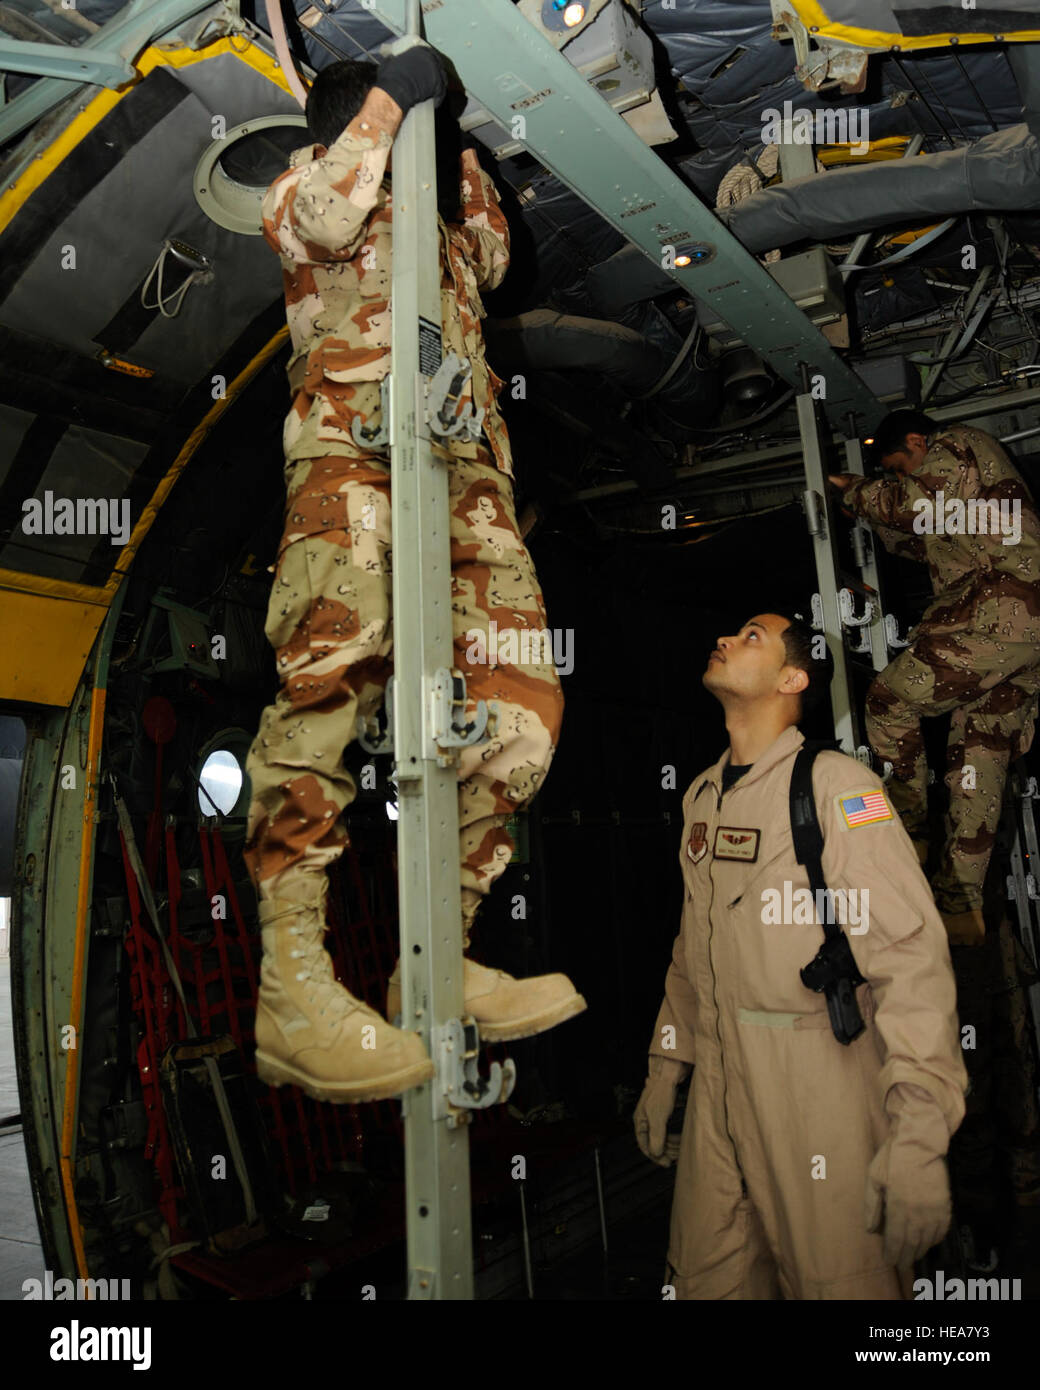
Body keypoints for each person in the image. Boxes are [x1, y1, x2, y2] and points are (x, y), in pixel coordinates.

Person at [242, 49, 584, 1105]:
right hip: (352, 460)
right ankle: (292, 984)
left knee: (523, 704)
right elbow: (332, 219)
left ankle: (441, 949)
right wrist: (394, 98)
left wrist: (456, 154)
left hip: (464, 474)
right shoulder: (300, 189)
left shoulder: (439, 216)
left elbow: (487, 258)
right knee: (327, 685)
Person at [634, 612, 967, 1299]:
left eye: (751, 636)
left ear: (793, 678)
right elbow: (691, 951)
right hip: (718, 1105)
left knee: (843, 1284)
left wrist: (919, 1136)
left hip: (819, 1095)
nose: (723, 638)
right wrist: (668, 1065)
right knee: (707, 1280)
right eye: (728, 631)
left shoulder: (840, 789)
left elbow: (910, 960)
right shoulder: (701, 797)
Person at [828, 411, 1040, 944]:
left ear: (920, 441)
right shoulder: (966, 505)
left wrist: (857, 491)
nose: (902, 480)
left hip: (1005, 616)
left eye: (901, 466)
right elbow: (914, 536)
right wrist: (870, 517)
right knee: (978, 760)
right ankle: (960, 907)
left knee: (888, 700)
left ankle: (907, 827)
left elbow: (915, 503)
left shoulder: (959, 442)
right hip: (1019, 634)